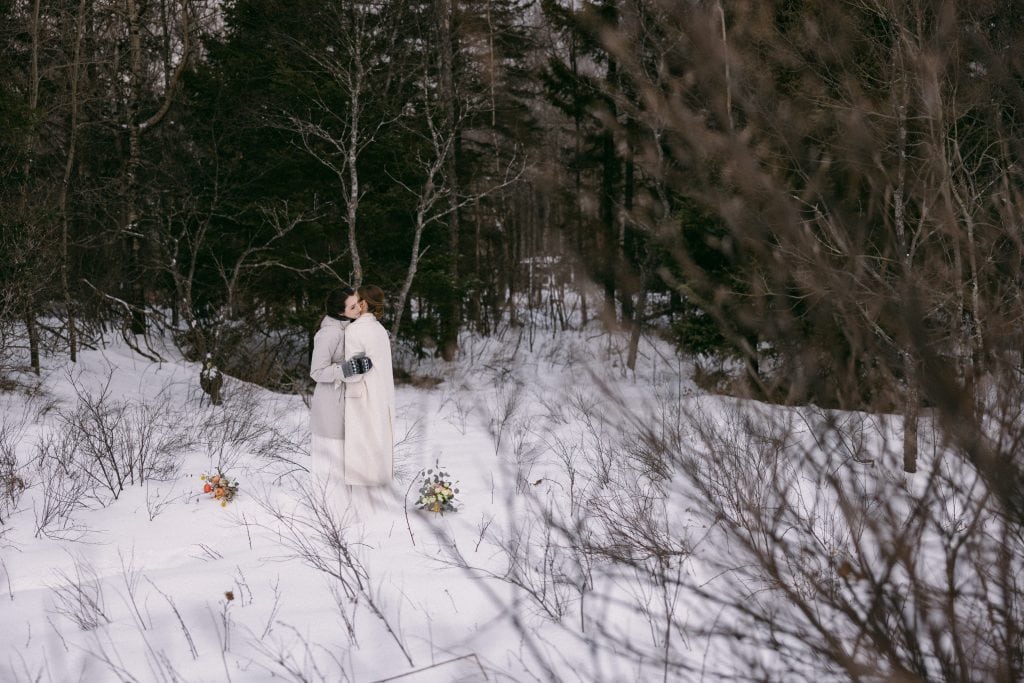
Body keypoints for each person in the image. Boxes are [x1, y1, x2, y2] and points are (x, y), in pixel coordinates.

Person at [308, 287, 372, 508]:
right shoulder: (330, 333)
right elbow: (316, 372)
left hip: (347, 401)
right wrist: (346, 369)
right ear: (340, 311)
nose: (359, 308)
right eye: (353, 306)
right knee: (333, 460)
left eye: (359, 303)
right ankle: (332, 510)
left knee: (348, 458)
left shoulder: (349, 327)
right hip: (331, 405)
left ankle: (349, 507)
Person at [340, 285, 395, 497]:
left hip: (362, 393)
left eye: (356, 301)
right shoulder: (379, 329)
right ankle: (379, 486)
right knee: (378, 437)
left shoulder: (355, 330)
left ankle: (363, 494)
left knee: (362, 441)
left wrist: (339, 374)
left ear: (363, 304)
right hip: (381, 392)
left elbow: (355, 370)